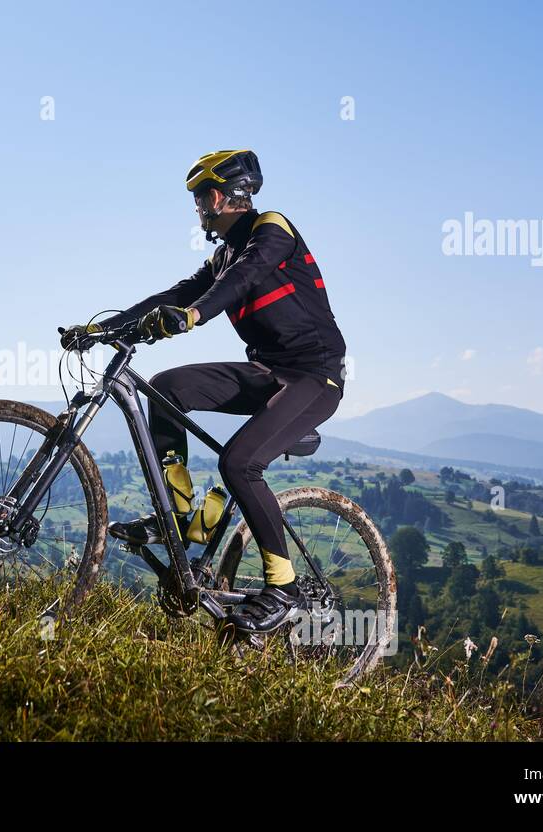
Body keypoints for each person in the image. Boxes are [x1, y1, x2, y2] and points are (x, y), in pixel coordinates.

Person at [60, 149, 347, 633]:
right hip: (267, 371)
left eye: (200, 198)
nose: (198, 209)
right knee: (166, 387)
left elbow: (245, 278)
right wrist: (104, 327)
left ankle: (284, 586)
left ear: (220, 195)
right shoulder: (221, 256)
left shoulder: (272, 229)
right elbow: (175, 295)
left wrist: (193, 316)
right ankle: (173, 515)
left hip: (314, 378)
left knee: (239, 462)